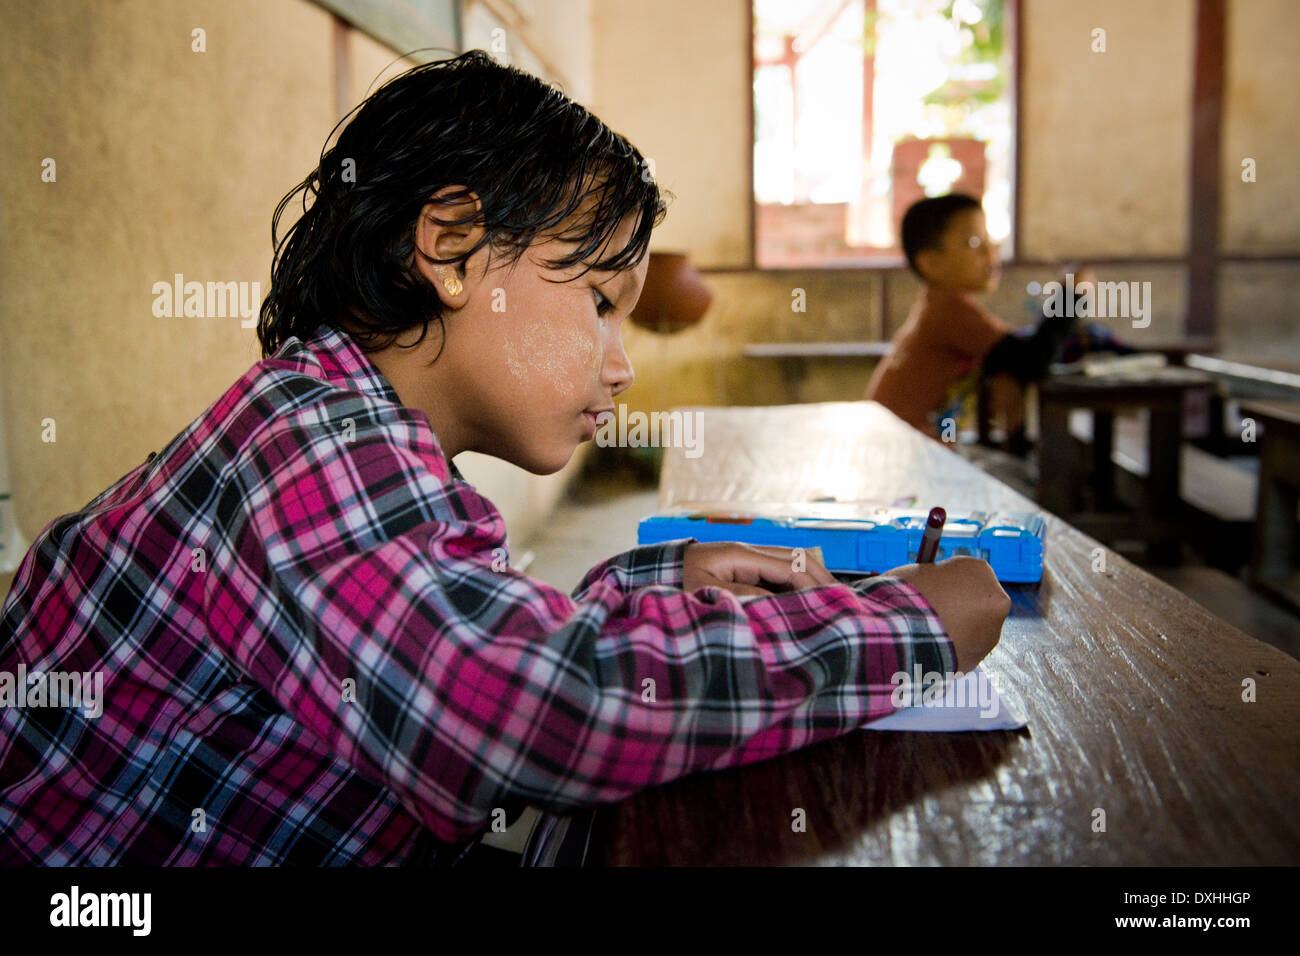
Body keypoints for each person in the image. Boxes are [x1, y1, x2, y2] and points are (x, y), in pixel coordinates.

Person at [0, 52, 1009, 866]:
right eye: (599, 302)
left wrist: (651, 579)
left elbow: (463, 622)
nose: (620, 366)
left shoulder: (358, 431)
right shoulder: (312, 440)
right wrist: (907, 625)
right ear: (448, 248)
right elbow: (528, 711)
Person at [866, 193, 1080, 441]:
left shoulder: (941, 304)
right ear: (932, 263)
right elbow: (1032, 359)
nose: (990, 252)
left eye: (990, 239)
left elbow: (1013, 353)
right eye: (974, 242)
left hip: (908, 443)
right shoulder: (949, 311)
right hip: (903, 450)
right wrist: (1072, 296)